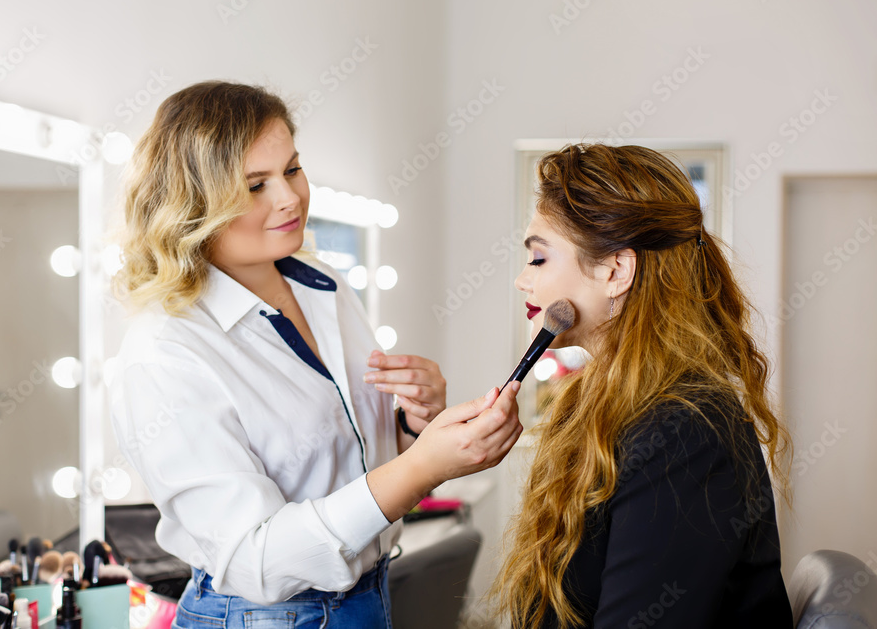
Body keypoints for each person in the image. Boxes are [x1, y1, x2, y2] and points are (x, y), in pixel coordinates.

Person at [107, 81, 522, 629]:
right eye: (256, 185)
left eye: (293, 169)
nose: (290, 198)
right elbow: (256, 561)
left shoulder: (324, 284)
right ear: (193, 203)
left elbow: (346, 463)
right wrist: (423, 468)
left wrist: (413, 427)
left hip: (368, 595)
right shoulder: (166, 352)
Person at [490, 143, 793, 628]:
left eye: (539, 258)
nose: (522, 280)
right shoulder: (596, 401)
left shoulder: (685, 431)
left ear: (616, 271)